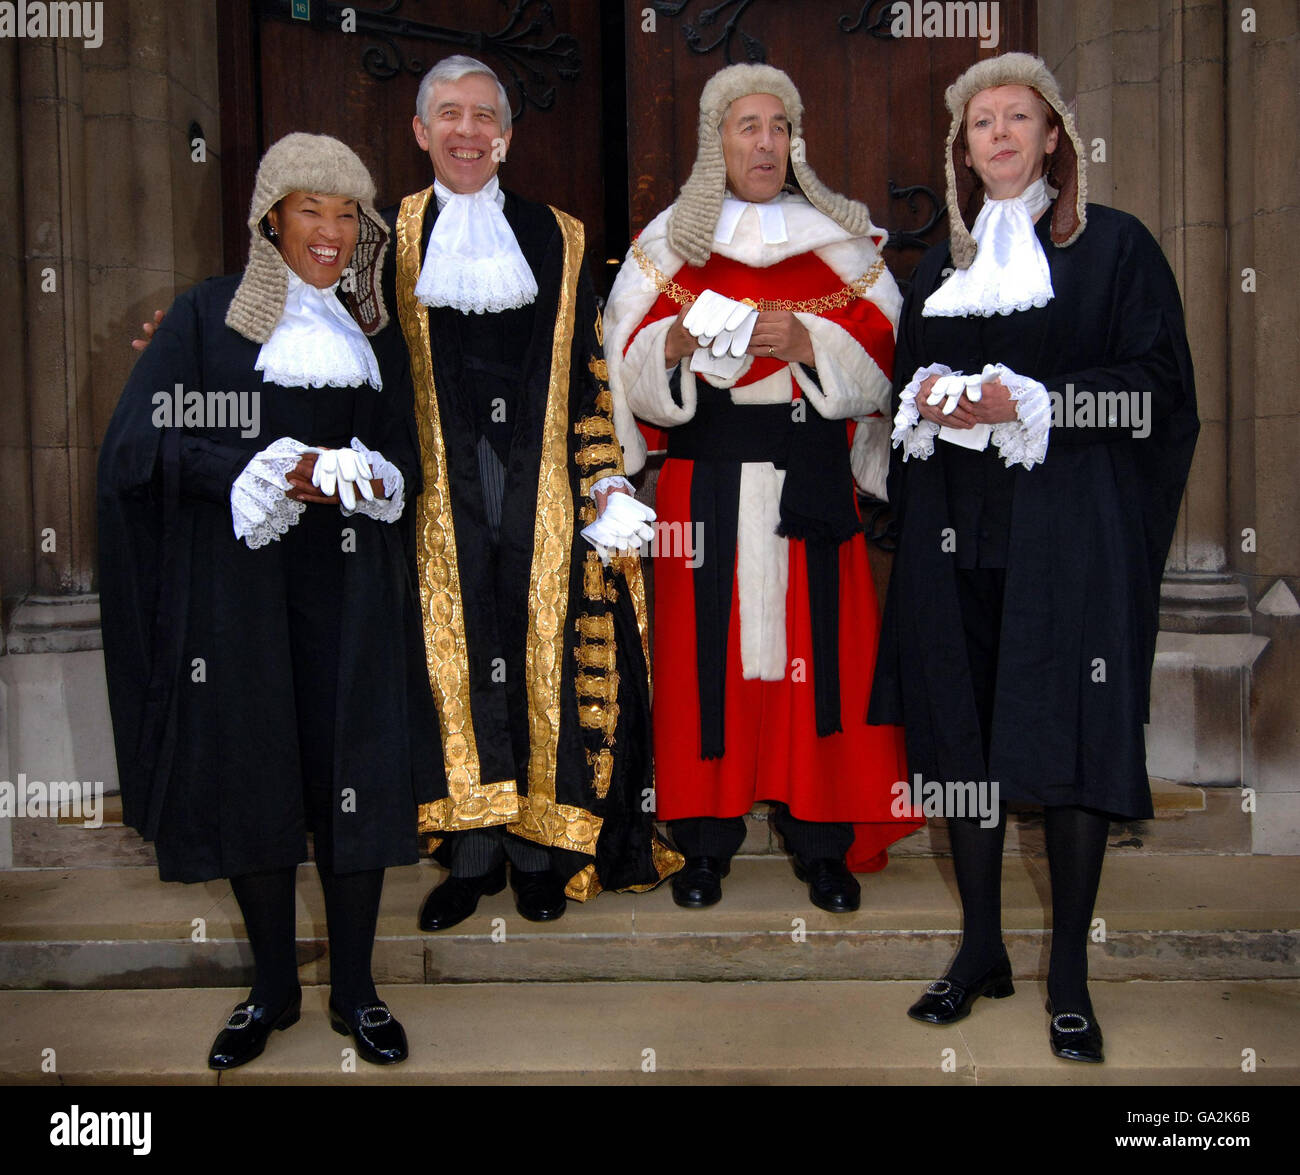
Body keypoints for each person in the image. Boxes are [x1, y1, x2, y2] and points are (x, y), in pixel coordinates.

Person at [868, 53, 1198, 1063]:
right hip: (955, 537)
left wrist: (1034, 401)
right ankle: (979, 950)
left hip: (1069, 540)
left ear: (1054, 135)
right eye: (981, 124)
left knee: (1066, 747)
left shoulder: (1116, 250)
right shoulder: (942, 269)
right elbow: (906, 391)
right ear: (962, 149)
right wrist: (926, 400)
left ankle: (1067, 972)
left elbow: (1153, 391)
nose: (1000, 135)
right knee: (961, 750)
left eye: (1018, 118)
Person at [99, 133, 437, 1069]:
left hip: (353, 594)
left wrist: (360, 472)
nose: (329, 232)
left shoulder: (374, 337)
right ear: (270, 221)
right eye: (309, 210)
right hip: (240, 598)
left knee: (354, 776)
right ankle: (274, 989)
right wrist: (254, 468)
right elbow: (136, 449)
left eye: (346, 215)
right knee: (254, 775)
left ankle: (359, 991)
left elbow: (407, 460)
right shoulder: (206, 321)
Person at [603, 63, 922, 913]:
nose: (766, 142)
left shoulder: (839, 244)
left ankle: (824, 841)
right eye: (747, 126)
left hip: (812, 482)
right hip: (702, 487)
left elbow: (889, 356)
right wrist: (669, 349)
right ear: (719, 142)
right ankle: (705, 844)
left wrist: (809, 340)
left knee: (824, 671)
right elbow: (622, 370)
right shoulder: (667, 245)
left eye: (779, 127)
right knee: (701, 663)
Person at [385, 55, 681, 932]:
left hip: (541, 481)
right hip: (438, 489)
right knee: (459, 656)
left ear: (506, 136)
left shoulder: (564, 236)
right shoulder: (384, 238)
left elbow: (593, 372)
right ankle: (470, 851)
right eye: (449, 114)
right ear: (421, 131)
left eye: (484, 116)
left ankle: (540, 849)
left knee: (541, 650)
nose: (467, 131)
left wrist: (603, 479)